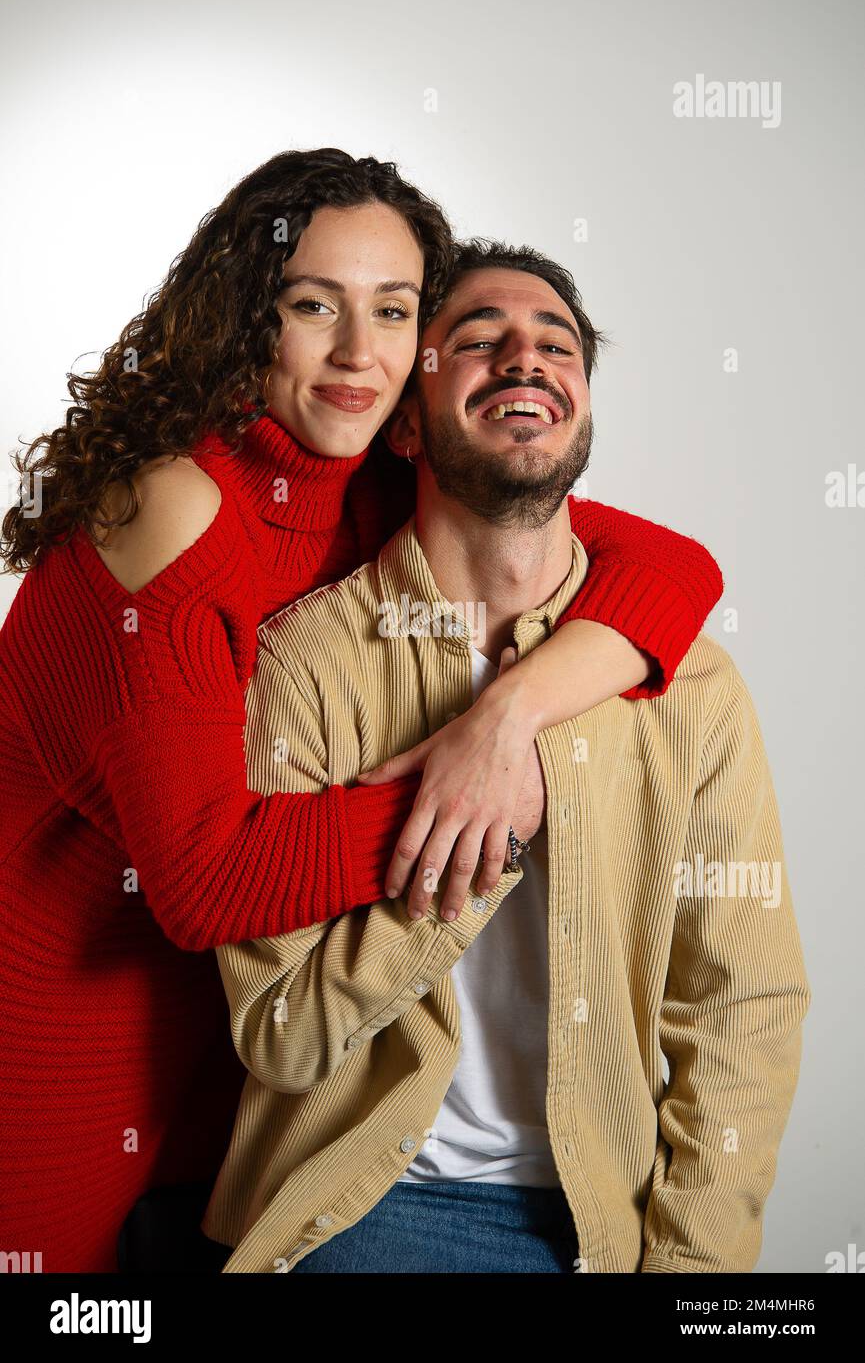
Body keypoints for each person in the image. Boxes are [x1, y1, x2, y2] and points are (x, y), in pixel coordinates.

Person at [0, 150, 722, 1273]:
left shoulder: (367, 477)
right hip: (61, 1026)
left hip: (251, 1057)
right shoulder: (173, 504)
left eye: (392, 311)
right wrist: (498, 812)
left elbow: (667, 564)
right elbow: (203, 883)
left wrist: (511, 722)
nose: (357, 352)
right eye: (311, 306)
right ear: (245, 320)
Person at [204, 240, 811, 1274]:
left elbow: (739, 1007)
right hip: (361, 1207)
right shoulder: (301, 668)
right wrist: (476, 839)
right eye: (478, 342)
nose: (525, 359)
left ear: (579, 405)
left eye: (555, 345)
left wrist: (691, 1271)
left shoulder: (690, 688)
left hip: (600, 1220)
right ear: (405, 418)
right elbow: (281, 1030)